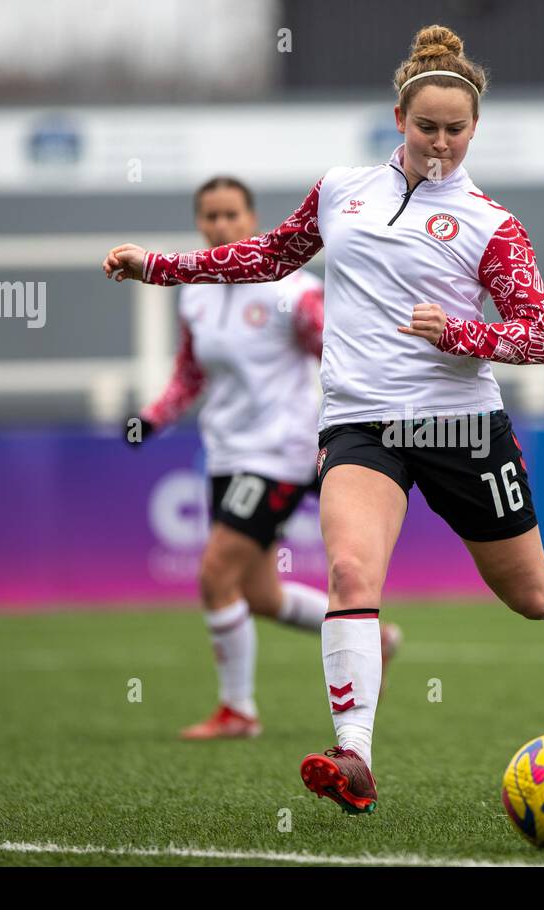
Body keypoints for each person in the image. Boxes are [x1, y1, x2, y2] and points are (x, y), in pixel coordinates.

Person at [104, 25, 544, 812]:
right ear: (398, 118)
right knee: (351, 574)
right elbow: (266, 256)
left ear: (474, 130)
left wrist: (457, 333)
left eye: (456, 130)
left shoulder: (494, 226)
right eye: (427, 126)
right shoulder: (340, 190)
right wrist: (161, 266)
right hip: (360, 426)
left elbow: (539, 336)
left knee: (525, 591)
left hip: (460, 427)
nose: (440, 142)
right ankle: (353, 757)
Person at [126, 175, 400, 741]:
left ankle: (238, 711)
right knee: (258, 594)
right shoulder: (195, 294)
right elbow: (189, 373)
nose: (221, 225)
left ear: (252, 222)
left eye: (232, 215)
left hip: (281, 452)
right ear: (200, 223)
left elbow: (340, 350)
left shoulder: (294, 291)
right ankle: (377, 639)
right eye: (211, 216)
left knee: (213, 573)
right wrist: (154, 416)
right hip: (226, 452)